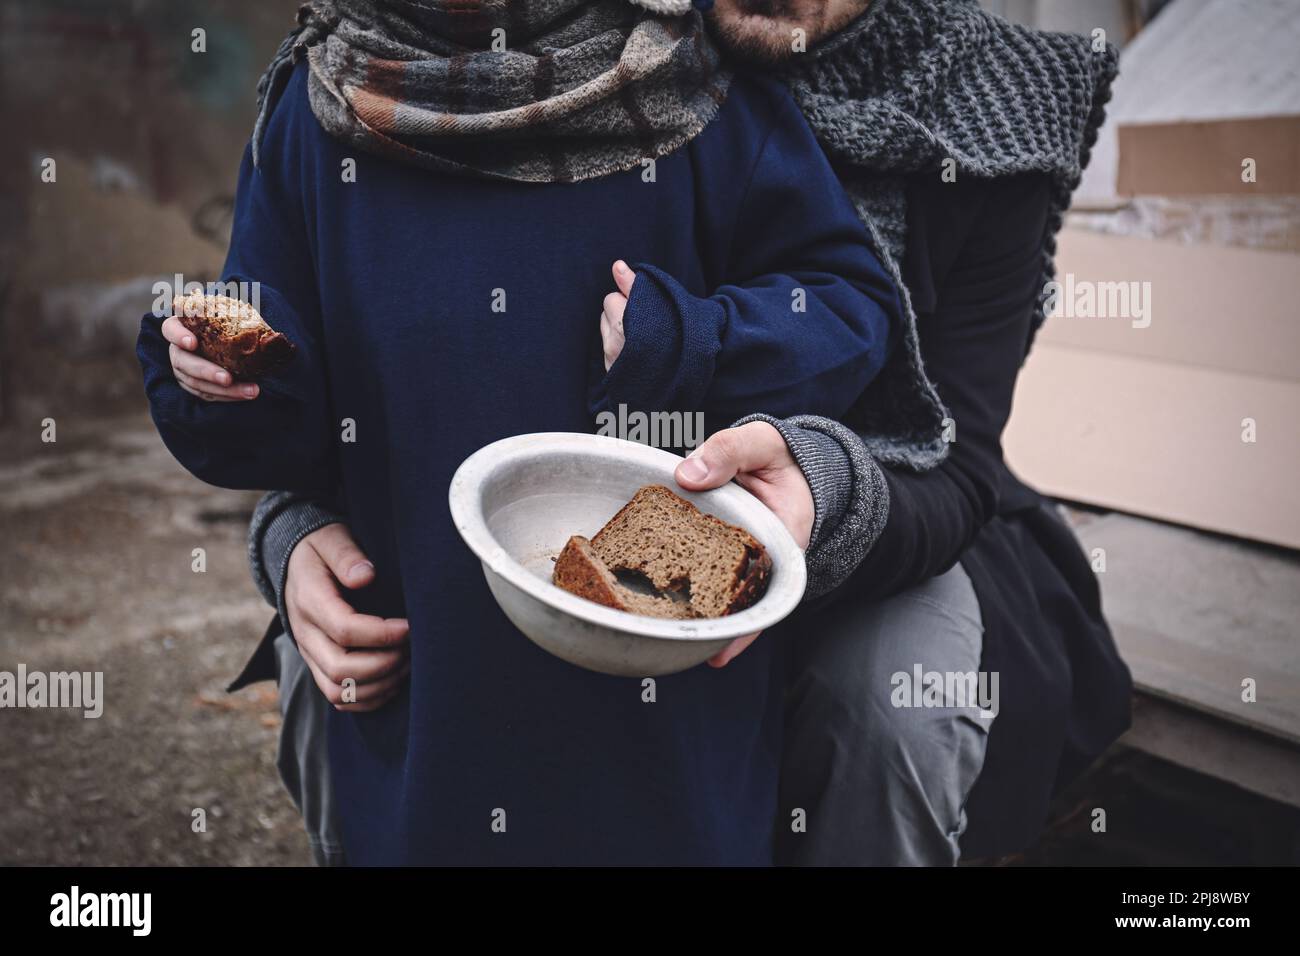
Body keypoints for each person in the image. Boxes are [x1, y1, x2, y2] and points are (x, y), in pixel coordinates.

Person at [249, 0, 1134, 867]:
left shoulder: (997, 107)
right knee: (330, 656)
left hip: (885, 507)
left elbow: (959, 458)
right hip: (605, 483)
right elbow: (410, 355)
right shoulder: (572, 56)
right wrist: (291, 521)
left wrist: (824, 494)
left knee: (893, 710)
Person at [138, 0, 909, 865]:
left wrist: (697, 342)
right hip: (426, 683)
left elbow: (846, 308)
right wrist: (217, 383)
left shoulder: (694, 83)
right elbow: (283, 429)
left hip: (658, 705)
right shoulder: (322, 106)